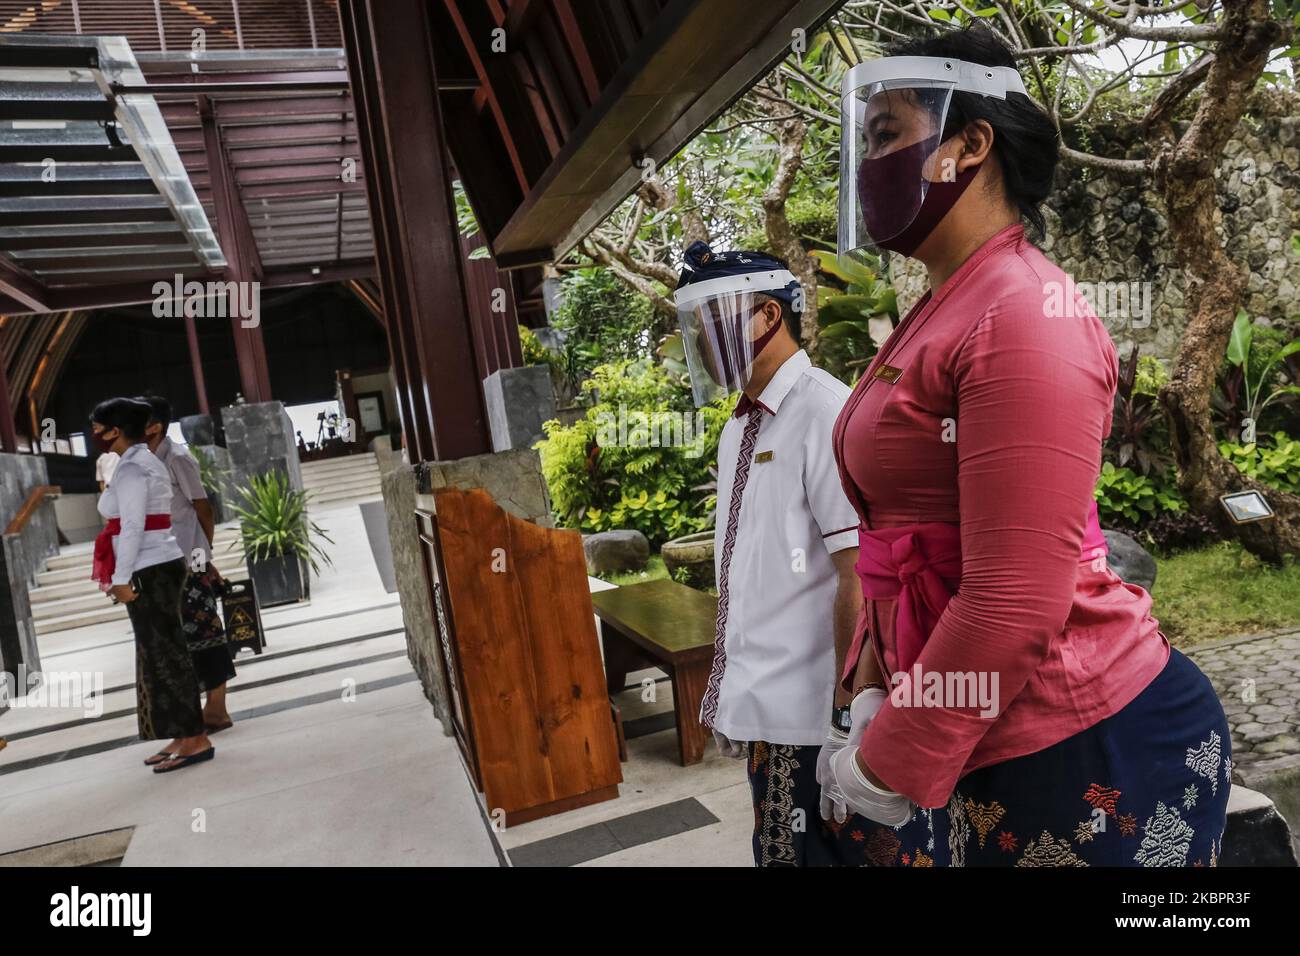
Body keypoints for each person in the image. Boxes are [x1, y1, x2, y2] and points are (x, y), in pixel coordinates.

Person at [826, 26, 1230, 866]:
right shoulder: (949, 301)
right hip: (993, 735)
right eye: (864, 140)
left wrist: (886, 756)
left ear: (970, 144)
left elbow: (1013, 601)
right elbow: (896, 532)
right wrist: (873, 682)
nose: (870, 165)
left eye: (888, 135)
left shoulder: (1019, 314)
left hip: (1092, 743)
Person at [674, 241, 864, 866]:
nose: (702, 341)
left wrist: (844, 719)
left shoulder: (823, 411)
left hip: (812, 720)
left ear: (768, 317)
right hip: (768, 714)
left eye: (712, 320)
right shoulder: (742, 425)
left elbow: (857, 575)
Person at [90, 397, 214, 774]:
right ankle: (180, 733)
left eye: (98, 426)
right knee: (159, 653)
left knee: (166, 655)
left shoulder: (131, 471)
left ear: (116, 430)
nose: (95, 432)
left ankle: (195, 737)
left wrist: (122, 578)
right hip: (160, 563)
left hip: (148, 568)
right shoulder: (142, 462)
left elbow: (132, 527)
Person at [140, 396, 236, 733]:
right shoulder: (145, 461)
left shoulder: (177, 457)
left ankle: (217, 708)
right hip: (164, 564)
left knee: (206, 632)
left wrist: (204, 555)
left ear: (155, 426)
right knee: (182, 639)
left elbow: (202, 507)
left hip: (189, 562)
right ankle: (200, 710)